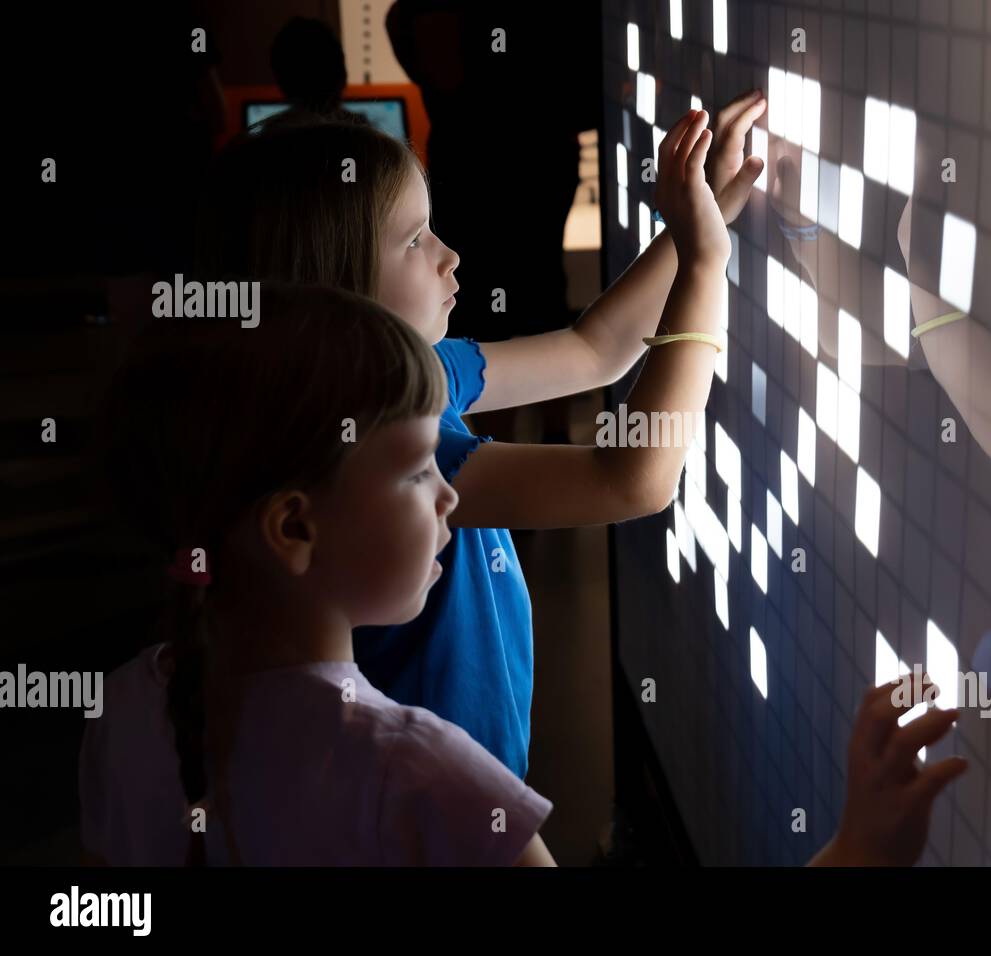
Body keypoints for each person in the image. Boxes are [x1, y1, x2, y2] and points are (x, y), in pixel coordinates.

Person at [79, 283, 965, 865]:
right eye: (424, 468)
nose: (452, 501)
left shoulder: (121, 710)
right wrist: (858, 849)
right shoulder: (429, 781)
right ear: (296, 527)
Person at [192, 101, 764, 779]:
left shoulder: (424, 370)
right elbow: (633, 479)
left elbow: (596, 349)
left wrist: (704, 219)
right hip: (426, 802)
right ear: (333, 289)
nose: (448, 255)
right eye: (413, 241)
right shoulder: (385, 446)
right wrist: (703, 266)